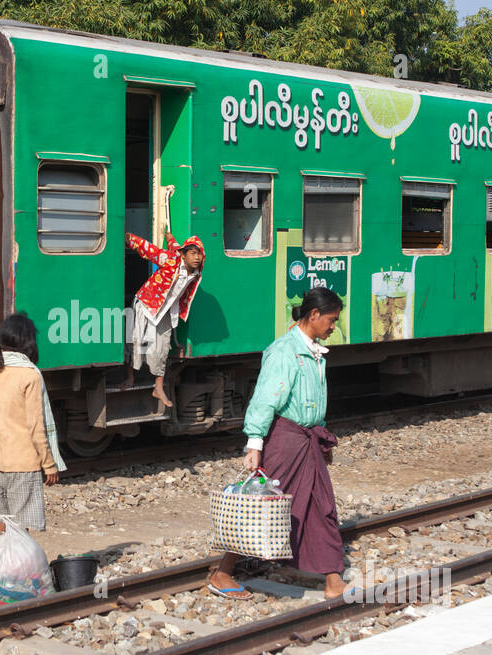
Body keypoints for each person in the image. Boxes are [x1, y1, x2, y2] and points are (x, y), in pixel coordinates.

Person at [210, 286, 346, 600]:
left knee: (320, 506)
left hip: (306, 441)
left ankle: (333, 579)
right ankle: (223, 572)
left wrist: (321, 442)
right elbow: (265, 400)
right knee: (264, 508)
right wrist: (255, 444)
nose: (333, 326)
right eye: (331, 319)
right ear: (314, 315)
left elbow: (314, 402)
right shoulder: (284, 351)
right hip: (285, 440)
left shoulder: (310, 349)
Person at [0, 313, 63, 533]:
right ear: (27, 342)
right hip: (23, 463)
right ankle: (19, 568)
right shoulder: (30, 376)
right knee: (20, 530)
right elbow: (36, 427)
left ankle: (0, 567)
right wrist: (49, 464)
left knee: (2, 526)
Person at [121, 232, 205, 408]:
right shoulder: (170, 260)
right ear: (184, 255)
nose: (197, 258)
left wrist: (169, 238)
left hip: (166, 311)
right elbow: (148, 250)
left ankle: (158, 388)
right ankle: (130, 377)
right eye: (193, 253)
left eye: (199, 254)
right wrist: (127, 236)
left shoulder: (196, 273)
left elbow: (174, 246)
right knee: (135, 342)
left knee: (162, 348)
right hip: (146, 304)